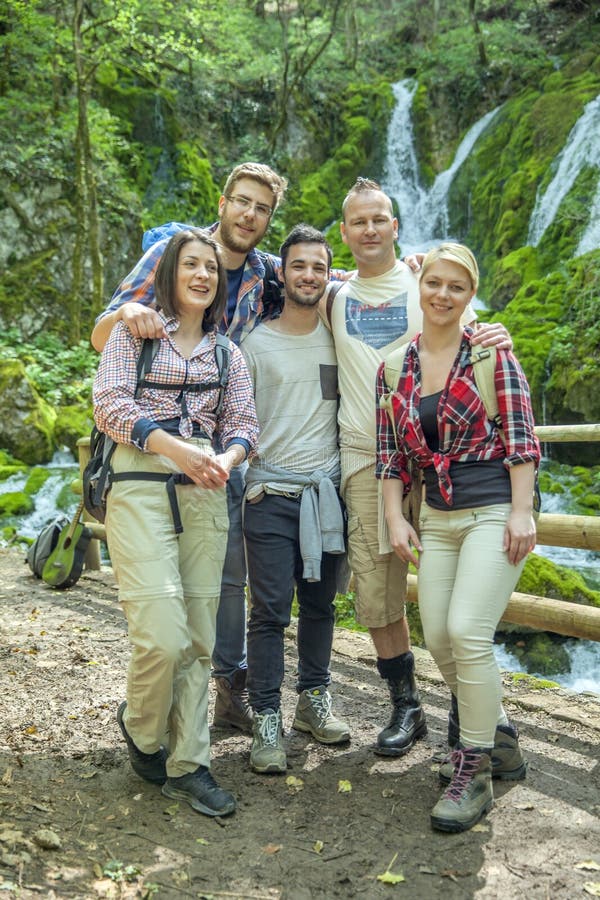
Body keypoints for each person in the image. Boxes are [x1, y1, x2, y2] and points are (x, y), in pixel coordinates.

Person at [91, 163, 288, 734]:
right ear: (224, 202)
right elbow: (104, 336)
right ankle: (149, 718)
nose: (250, 215)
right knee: (167, 609)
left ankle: (225, 692)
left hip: (216, 447)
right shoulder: (174, 253)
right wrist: (126, 314)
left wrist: (400, 269)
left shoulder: (263, 272)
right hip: (150, 448)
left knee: (225, 582)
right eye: (243, 203)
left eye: (262, 209)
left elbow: (321, 275)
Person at [324, 177, 511, 758]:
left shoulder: (429, 281)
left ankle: (468, 712)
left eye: (380, 218)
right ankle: (406, 706)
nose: (371, 229)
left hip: (441, 468)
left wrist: (502, 334)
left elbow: (485, 346)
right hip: (368, 458)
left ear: (396, 224)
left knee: (455, 603)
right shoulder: (331, 295)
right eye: (359, 221)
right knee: (377, 595)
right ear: (346, 232)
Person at [93, 228, 259, 817]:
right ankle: (142, 729)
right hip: (139, 487)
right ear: (169, 274)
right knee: (162, 634)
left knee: (198, 639)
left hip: (205, 495)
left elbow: (243, 425)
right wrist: (175, 449)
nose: (202, 276)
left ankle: (190, 764)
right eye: (191, 265)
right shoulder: (131, 335)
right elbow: (111, 405)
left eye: (211, 269)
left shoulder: (227, 354)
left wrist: (225, 458)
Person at [375, 242, 539, 832]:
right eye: (435, 283)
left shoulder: (493, 357)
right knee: (440, 637)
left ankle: (474, 770)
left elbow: (522, 439)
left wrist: (523, 512)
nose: (442, 295)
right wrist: (396, 517)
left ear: (471, 297)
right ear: (420, 288)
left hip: (494, 509)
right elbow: (390, 456)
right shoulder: (395, 367)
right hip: (437, 519)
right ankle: (501, 741)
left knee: (467, 631)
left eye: (457, 287)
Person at [240, 225, 350, 774]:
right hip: (269, 493)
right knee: (269, 612)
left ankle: (313, 700)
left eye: (320, 268)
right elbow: (236, 421)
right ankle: (265, 717)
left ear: (330, 277)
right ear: (281, 272)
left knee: (321, 606)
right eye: (299, 266)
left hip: (327, 495)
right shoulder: (254, 343)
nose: (309, 276)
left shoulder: (341, 337)